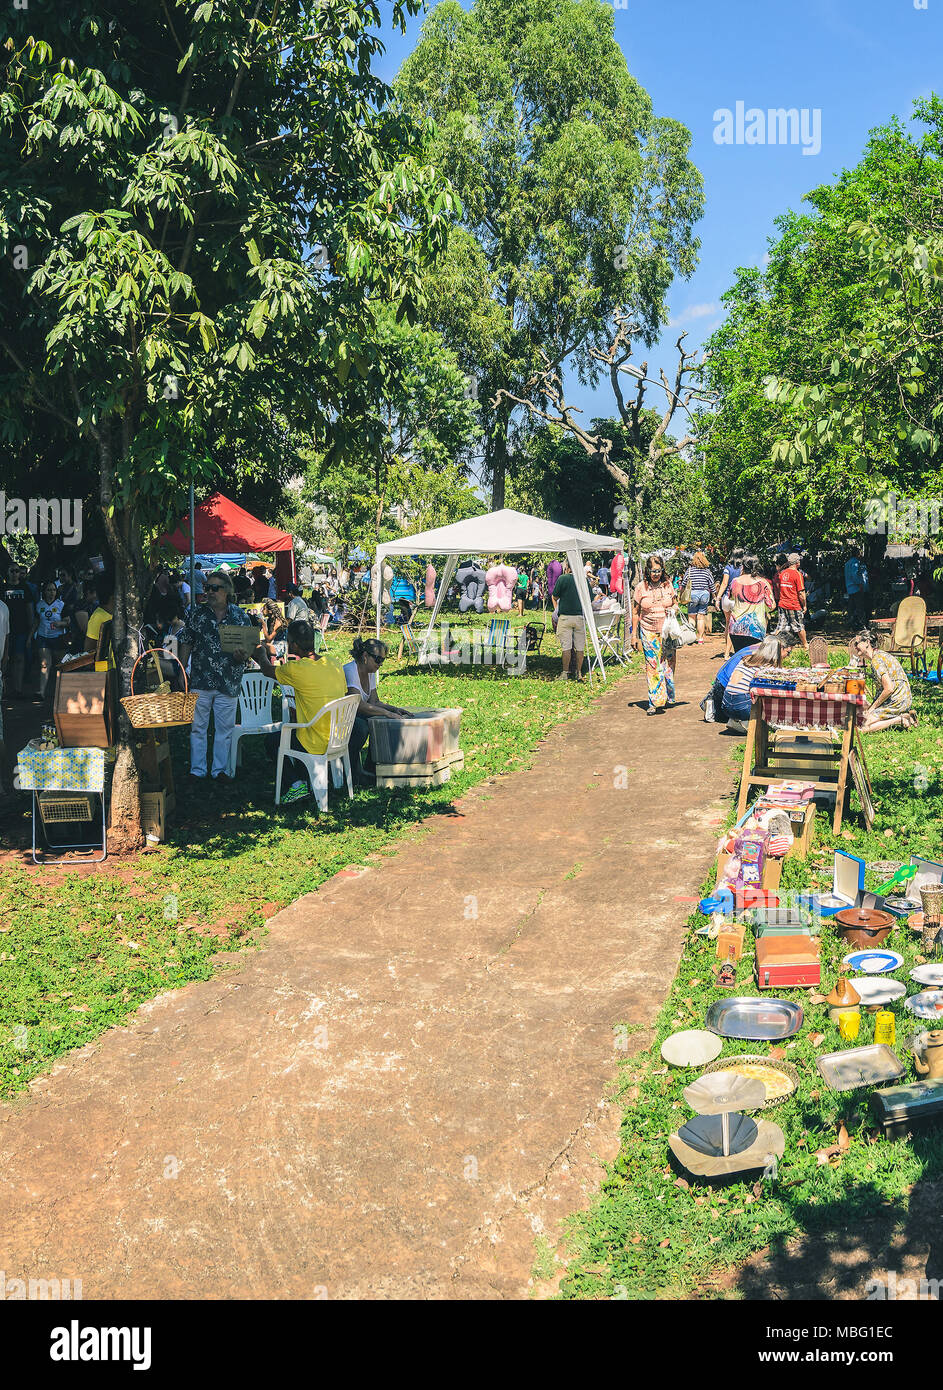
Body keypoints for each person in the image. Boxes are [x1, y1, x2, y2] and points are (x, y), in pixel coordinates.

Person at [252, 620, 348, 802]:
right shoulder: (334, 663)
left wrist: (261, 652)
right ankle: (305, 779)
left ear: (294, 645)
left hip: (315, 739)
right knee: (292, 734)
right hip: (339, 735)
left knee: (273, 741)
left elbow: (266, 670)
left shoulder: (296, 669)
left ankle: (295, 784)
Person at [176, 570, 256, 782]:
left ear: (227, 591)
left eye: (214, 588)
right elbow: (186, 641)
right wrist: (182, 669)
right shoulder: (196, 613)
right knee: (198, 728)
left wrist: (243, 656)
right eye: (207, 587)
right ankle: (197, 771)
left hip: (228, 681)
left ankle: (220, 771)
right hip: (200, 680)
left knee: (225, 729)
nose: (209, 592)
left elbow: (249, 648)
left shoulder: (240, 616)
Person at [343, 637, 412, 785]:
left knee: (379, 722)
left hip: (355, 714)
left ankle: (371, 767)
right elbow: (358, 704)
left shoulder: (370, 672)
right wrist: (387, 713)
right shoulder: (350, 670)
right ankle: (352, 772)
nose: (380, 664)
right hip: (343, 717)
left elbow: (374, 701)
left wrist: (394, 709)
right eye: (378, 659)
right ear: (365, 656)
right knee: (363, 726)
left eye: (383, 660)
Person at [702, 637, 785, 733]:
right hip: (743, 707)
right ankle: (754, 723)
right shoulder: (766, 666)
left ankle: (737, 720)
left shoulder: (747, 659)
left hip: (726, 705)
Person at [631, 555, 678, 714]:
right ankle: (654, 701)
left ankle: (666, 695)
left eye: (659, 570)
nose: (656, 574)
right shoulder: (641, 588)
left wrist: (675, 609)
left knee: (667, 665)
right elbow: (636, 612)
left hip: (667, 633)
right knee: (653, 665)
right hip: (648, 631)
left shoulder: (668, 585)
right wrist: (633, 636)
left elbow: (676, 603)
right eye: (653, 571)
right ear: (648, 571)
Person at [851, 629, 915, 731]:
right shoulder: (879, 655)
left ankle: (900, 719)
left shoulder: (876, 660)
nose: (854, 646)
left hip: (897, 701)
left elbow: (889, 688)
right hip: (903, 698)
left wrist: (872, 709)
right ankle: (901, 716)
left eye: (857, 643)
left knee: (862, 727)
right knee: (860, 714)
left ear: (867, 643)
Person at [728, 556, 776, 652]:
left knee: (740, 658)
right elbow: (771, 606)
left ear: (743, 567)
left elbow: (730, 597)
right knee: (754, 660)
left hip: (735, 627)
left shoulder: (734, 581)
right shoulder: (762, 583)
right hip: (756, 629)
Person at [1, 564, 35, 699]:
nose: (15, 573)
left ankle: (18, 689)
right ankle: (4, 688)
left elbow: (30, 609)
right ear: (7, 573)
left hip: (21, 629)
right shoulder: (2, 588)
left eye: (17, 571)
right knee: (4, 658)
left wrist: (31, 631)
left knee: (19, 658)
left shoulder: (25, 588)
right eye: (12, 571)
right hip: (4, 629)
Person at [33, 580, 69, 701]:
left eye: (53, 590)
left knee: (61, 666)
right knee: (44, 664)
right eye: (48, 590)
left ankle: (63, 692)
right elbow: (36, 622)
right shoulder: (39, 605)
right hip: (43, 637)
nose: (51, 592)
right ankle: (41, 692)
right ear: (44, 591)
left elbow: (68, 621)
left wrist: (60, 623)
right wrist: (30, 637)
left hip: (58, 638)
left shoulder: (61, 605)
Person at [551, 560, 586, 681]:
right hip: (579, 617)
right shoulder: (583, 580)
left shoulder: (563, 578)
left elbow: (555, 596)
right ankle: (579, 672)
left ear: (568, 568)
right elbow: (589, 599)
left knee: (566, 647)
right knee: (580, 647)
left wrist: (557, 609)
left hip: (565, 617)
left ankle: (565, 672)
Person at [773, 552, 808, 651]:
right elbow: (801, 593)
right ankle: (806, 646)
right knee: (799, 627)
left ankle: (772, 645)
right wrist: (804, 605)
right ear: (797, 562)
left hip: (782, 604)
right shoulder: (797, 574)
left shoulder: (782, 573)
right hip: (793, 604)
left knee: (780, 626)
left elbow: (779, 588)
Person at [682, 550, 716, 643]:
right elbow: (712, 585)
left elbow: (684, 583)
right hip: (705, 594)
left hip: (693, 594)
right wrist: (715, 596)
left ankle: (691, 638)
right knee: (701, 617)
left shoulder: (689, 571)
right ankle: (700, 639)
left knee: (692, 616)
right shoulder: (707, 571)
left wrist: (681, 594)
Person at [716, 548, 744, 659]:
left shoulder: (728, 568)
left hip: (726, 599)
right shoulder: (743, 569)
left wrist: (718, 598)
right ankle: (730, 652)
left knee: (728, 624)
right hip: (737, 599)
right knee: (736, 626)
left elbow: (724, 583)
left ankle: (727, 652)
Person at [83, 577, 115, 667]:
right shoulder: (97, 617)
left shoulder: (120, 614)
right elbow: (89, 650)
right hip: (107, 670)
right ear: (113, 597)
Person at [845, 548, 871, 628]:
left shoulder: (848, 563)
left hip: (850, 588)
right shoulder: (855, 563)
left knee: (852, 607)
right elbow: (855, 575)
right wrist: (859, 584)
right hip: (856, 588)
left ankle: (851, 623)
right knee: (859, 607)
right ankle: (861, 624)